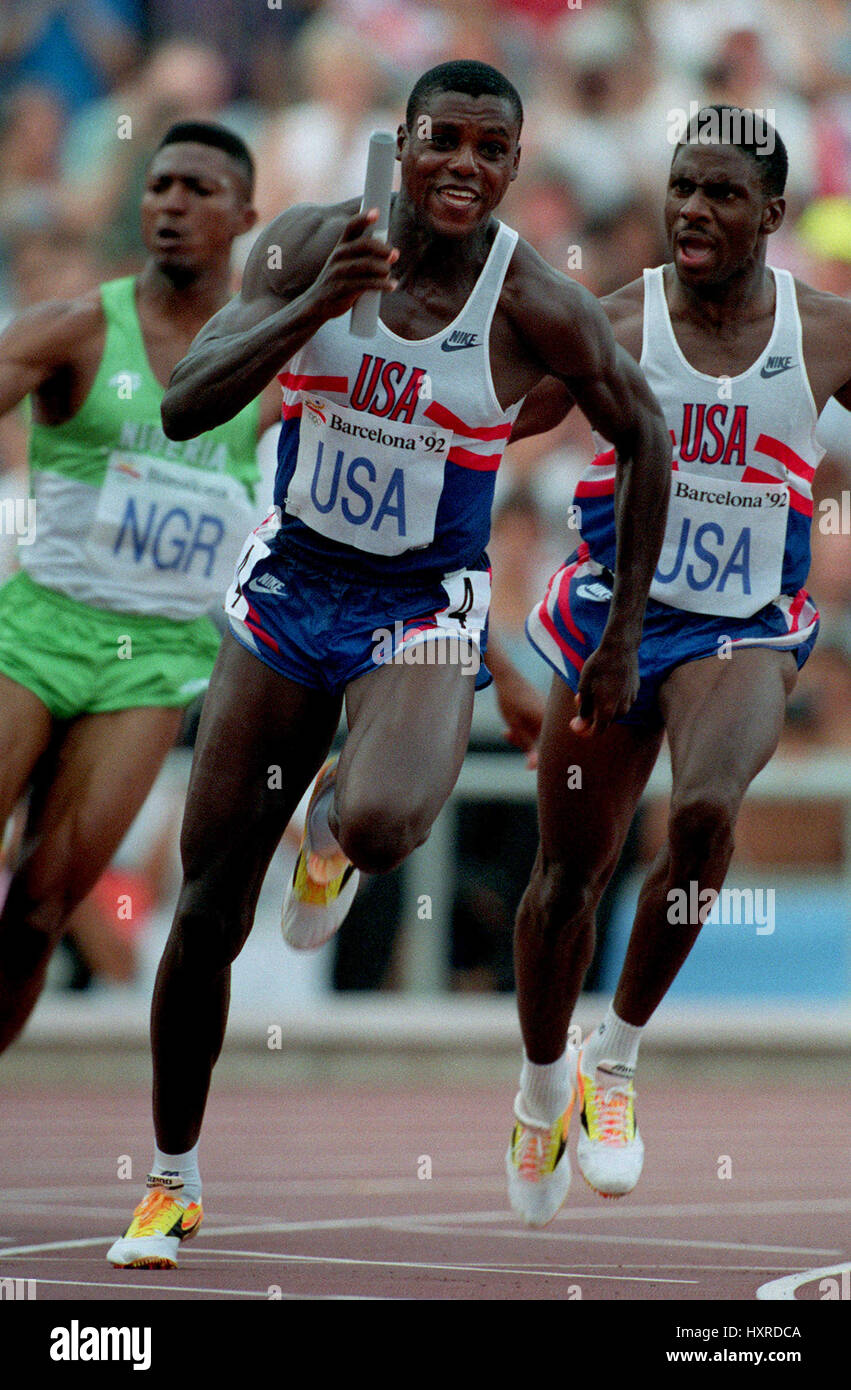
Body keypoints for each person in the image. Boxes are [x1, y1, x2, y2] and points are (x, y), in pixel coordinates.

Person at [105, 58, 671, 1269]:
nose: (462, 165)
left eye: (488, 148)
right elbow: (187, 404)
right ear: (401, 143)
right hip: (292, 581)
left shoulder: (536, 308)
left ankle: (331, 829)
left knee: (380, 825)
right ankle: (168, 1179)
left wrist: (622, 630)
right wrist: (315, 304)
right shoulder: (317, 238)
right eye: (442, 140)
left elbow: (647, 435)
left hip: (420, 601)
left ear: (514, 167)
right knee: (206, 910)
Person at [504, 105, 851, 1227]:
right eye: (679, 189)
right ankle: (539, 1081)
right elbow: (499, 417)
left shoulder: (826, 332)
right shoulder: (613, 317)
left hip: (742, 623)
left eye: (719, 193)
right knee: (569, 873)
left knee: (703, 813)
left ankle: (614, 1061)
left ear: (772, 214)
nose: (692, 210)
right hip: (613, 613)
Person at [0, 120, 280, 1056]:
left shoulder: (270, 365)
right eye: (160, 185)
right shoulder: (79, 326)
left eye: (200, 189)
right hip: (34, 633)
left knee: (41, 910)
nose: (171, 203)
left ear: (244, 214)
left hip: (155, 659)